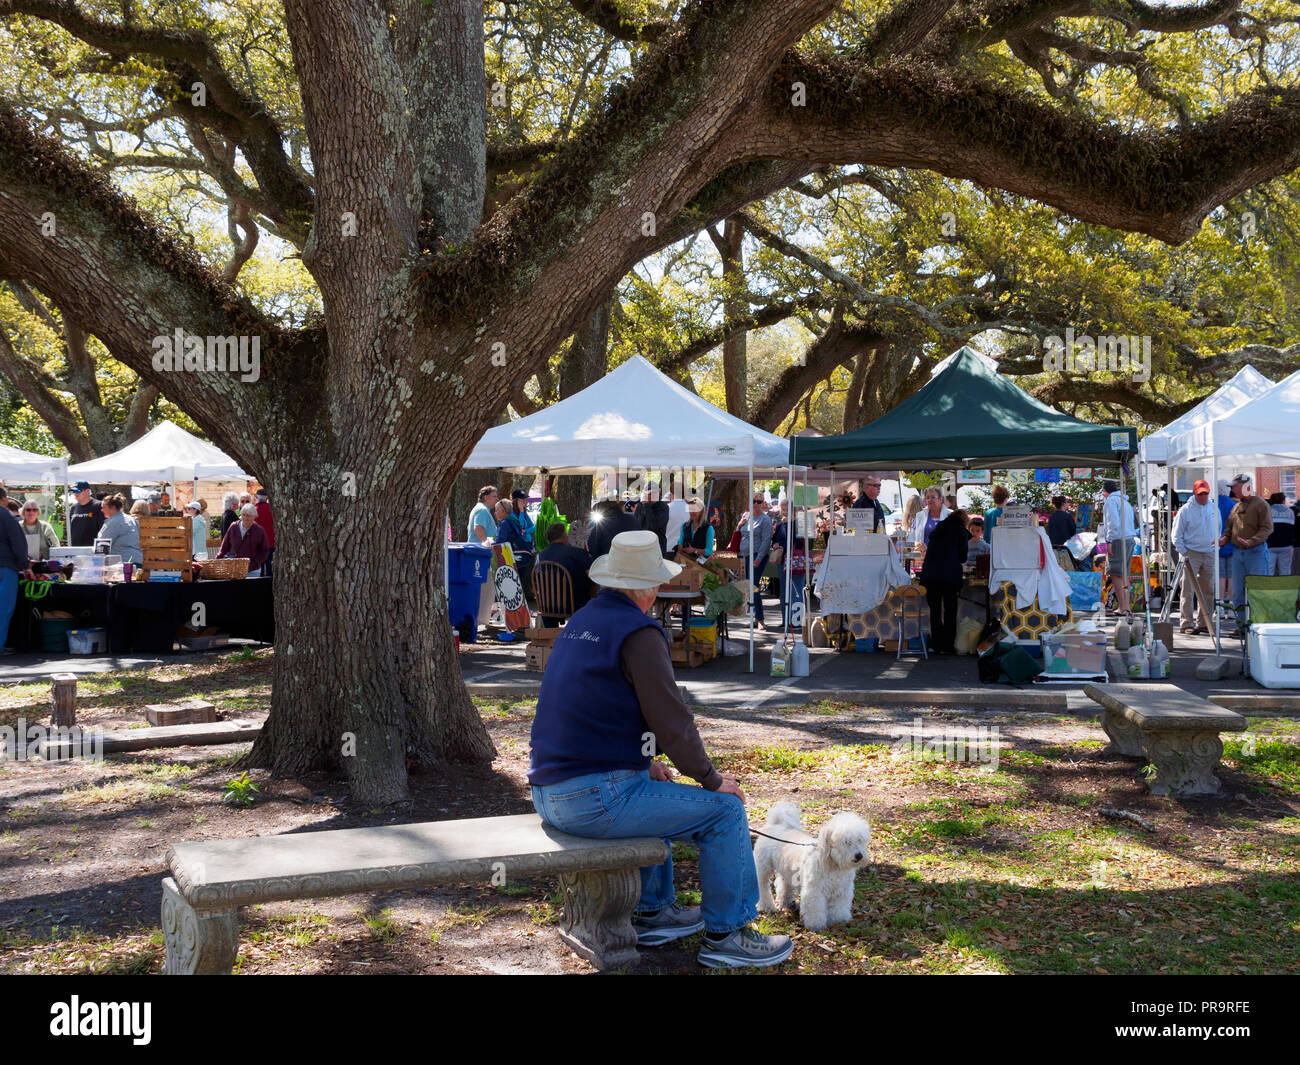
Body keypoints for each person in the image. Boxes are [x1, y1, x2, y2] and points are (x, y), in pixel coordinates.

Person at [528, 530, 792, 969]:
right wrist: (711, 778)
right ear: (645, 586)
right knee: (725, 812)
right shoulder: (640, 632)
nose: (658, 590)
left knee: (649, 784)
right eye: (656, 581)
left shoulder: (583, 621)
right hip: (591, 799)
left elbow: (591, 707)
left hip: (550, 792)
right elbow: (672, 721)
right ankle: (729, 934)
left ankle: (653, 912)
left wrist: (642, 760)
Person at [1172, 479, 1219, 635]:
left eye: (1206, 493)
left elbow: (1218, 527)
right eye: (1200, 494)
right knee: (1187, 589)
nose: (1203, 497)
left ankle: (1204, 622)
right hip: (1190, 552)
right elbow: (1176, 534)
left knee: (1208, 589)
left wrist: (1215, 545)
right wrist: (1183, 552)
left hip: (1209, 551)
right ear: (1195, 493)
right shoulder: (1185, 510)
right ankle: (1186, 623)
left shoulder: (1213, 507)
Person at [919, 509, 969, 654]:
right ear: (964, 520)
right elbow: (962, 558)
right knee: (950, 610)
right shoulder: (961, 531)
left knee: (934, 611)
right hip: (949, 577)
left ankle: (935, 643)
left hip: (930, 576)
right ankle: (947, 645)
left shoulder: (937, 530)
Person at [1220, 473, 1272, 609]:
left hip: (1256, 553)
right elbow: (1229, 526)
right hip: (1238, 554)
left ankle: (1256, 627)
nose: (1233, 490)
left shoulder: (1261, 504)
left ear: (1245, 487)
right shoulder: (1237, 506)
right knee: (1237, 594)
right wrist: (1225, 537)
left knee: (1257, 591)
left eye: (1235, 487)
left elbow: (1267, 528)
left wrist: (1251, 541)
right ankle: (1242, 626)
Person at [534, 522, 593, 623]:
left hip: (548, 605)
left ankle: (550, 632)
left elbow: (535, 580)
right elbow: (592, 574)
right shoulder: (577, 553)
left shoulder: (540, 556)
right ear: (564, 535)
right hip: (574, 604)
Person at [0, 487, 33, 653]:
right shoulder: (7, 516)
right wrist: (25, 566)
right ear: (4, 499)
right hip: (5, 567)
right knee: (3, 608)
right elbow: (18, 544)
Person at [1100, 479, 1137, 616]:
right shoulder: (1125, 501)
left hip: (1118, 539)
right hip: (1129, 539)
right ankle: (1126, 606)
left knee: (1115, 573)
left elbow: (1113, 523)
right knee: (1124, 573)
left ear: (1105, 491)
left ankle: (1123, 607)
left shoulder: (1110, 501)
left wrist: (1108, 541)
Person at [737, 494, 773, 630]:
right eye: (754, 501)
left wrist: (758, 559)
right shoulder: (746, 516)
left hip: (756, 556)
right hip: (744, 555)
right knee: (749, 588)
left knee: (754, 586)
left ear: (763, 503)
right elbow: (738, 533)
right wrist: (739, 525)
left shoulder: (765, 520)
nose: (756, 503)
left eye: (759, 501)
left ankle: (760, 619)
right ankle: (754, 618)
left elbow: (766, 541)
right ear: (749, 503)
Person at [771, 501, 807, 632]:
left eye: (787, 509)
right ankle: (785, 619)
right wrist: (775, 544)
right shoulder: (780, 524)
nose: (785, 511)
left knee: (796, 590)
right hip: (782, 561)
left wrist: (790, 523)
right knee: (784, 591)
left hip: (795, 562)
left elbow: (799, 541)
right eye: (783, 509)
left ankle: (796, 621)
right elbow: (775, 539)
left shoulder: (798, 523)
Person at [494, 490, 536, 589]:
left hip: (517, 554)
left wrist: (522, 513)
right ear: (515, 500)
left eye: (525, 499)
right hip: (522, 552)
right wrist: (525, 530)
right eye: (522, 499)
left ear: (503, 511)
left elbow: (531, 527)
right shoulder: (512, 517)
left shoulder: (506, 521)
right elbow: (523, 528)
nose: (525, 501)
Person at [218, 502, 271, 575]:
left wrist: (255, 562)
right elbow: (224, 545)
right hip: (234, 567)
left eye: (248, 516)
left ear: (254, 517)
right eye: (243, 515)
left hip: (252, 570)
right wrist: (218, 559)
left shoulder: (259, 530)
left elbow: (265, 551)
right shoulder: (234, 526)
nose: (245, 518)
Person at [98, 493, 143, 565]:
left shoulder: (113, 522)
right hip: (138, 560)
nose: (101, 510)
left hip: (122, 563)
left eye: (104, 507)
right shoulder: (131, 519)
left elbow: (102, 545)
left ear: (112, 507)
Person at [635, 481, 671, 557]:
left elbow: (654, 525)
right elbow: (636, 526)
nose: (654, 495)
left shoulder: (663, 507)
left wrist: (646, 505)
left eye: (656, 492)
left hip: (657, 549)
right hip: (641, 548)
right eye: (650, 493)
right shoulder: (640, 506)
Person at [1266, 491, 1295, 576]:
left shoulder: (1268, 511)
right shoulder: (1290, 512)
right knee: (1285, 571)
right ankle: (1284, 588)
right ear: (1283, 500)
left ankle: (1268, 588)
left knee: (1269, 570)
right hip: (1286, 545)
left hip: (1270, 545)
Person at [68, 480, 104, 546]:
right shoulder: (74, 507)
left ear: (87, 491)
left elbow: (103, 529)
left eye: (78, 491)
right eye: (74, 491)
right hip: (74, 549)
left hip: (92, 550)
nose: (75, 493)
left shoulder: (99, 506)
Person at [1217, 479, 1236, 600]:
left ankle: (1220, 606)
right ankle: (1231, 606)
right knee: (1232, 577)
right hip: (1232, 545)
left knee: (1220, 577)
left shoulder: (1212, 504)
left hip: (1217, 545)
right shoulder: (1234, 505)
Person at [255, 488, 275, 576]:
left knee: (260, 569)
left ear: (257, 497)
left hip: (259, 544)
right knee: (270, 568)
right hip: (271, 542)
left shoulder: (254, 509)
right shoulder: (272, 509)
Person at [664, 491, 689, 559]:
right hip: (685, 550)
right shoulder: (691, 509)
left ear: (672, 494)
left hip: (667, 547)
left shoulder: (666, 508)